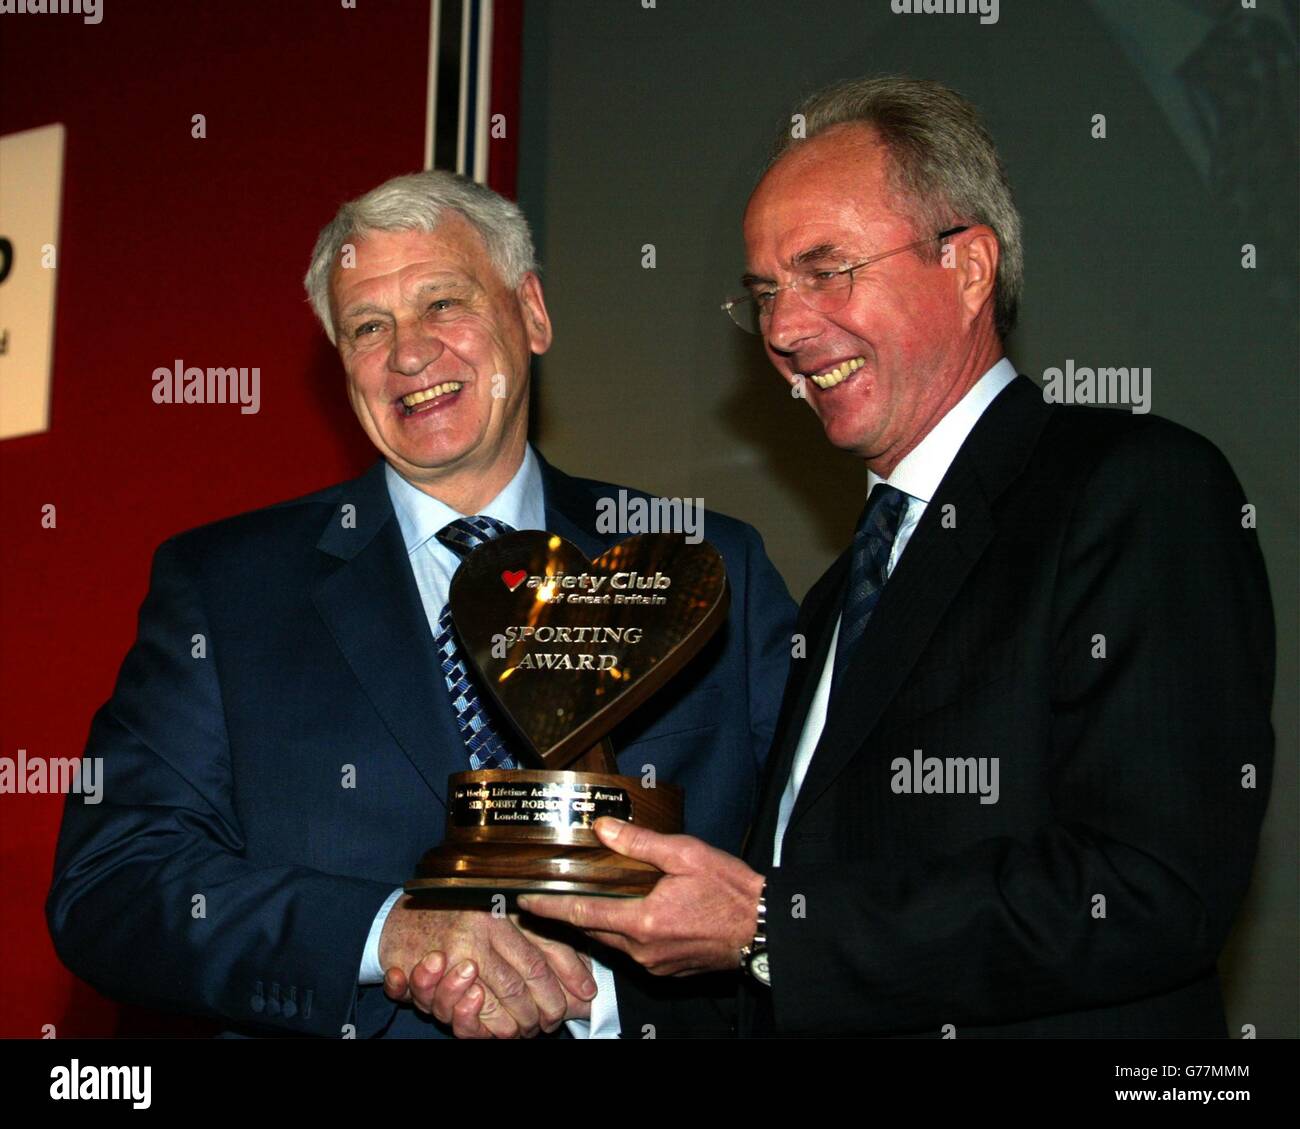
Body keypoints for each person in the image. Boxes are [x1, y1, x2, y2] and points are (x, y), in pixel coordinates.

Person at [514, 76, 1275, 1037]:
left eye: (825, 270)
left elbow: (1151, 887)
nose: (784, 330)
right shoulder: (842, 593)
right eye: (765, 294)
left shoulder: (1137, 490)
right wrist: (578, 996)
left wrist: (763, 924)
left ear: (967, 267)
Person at [45, 170, 795, 1039]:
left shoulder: (705, 570)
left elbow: (813, 887)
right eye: (370, 326)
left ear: (534, 314)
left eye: (444, 304)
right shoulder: (225, 590)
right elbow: (113, 884)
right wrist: (385, 932)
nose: (408, 353)